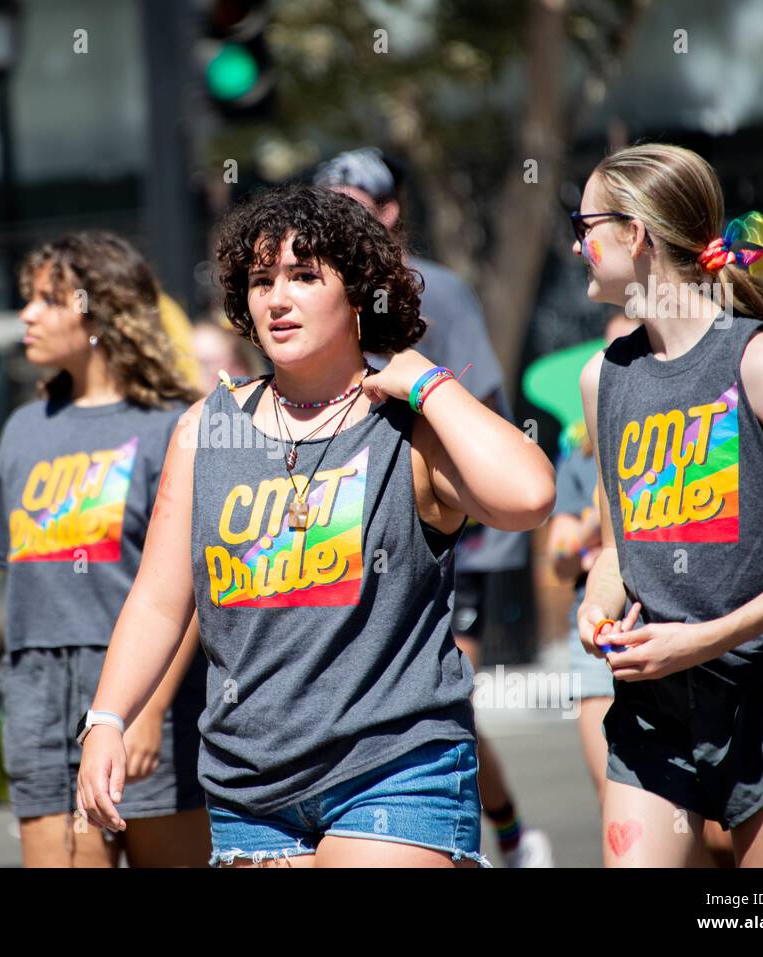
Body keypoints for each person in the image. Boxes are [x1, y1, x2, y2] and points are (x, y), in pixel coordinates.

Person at [79, 183, 554, 867]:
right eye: (261, 280)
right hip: (250, 786)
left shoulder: (407, 426)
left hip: (396, 769)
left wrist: (428, 382)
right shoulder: (205, 429)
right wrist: (106, 719)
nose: (277, 298)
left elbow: (530, 496)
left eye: (304, 276)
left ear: (358, 293)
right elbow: (158, 599)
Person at [572, 143, 763, 867]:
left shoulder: (759, 358)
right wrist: (597, 605)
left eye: (585, 227)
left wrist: (708, 637)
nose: (577, 246)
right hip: (653, 708)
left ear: (635, 234)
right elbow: (616, 547)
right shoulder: (601, 378)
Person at [315, 147, 552, 866]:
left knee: (443, 699)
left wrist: (490, 535)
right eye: (330, 200)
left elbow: (483, 411)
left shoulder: (437, 290)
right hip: (357, 536)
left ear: (390, 212)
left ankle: (489, 836)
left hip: (455, 535)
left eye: (358, 201)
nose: (342, 212)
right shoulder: (310, 293)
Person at [0, 232, 210, 867]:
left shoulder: (174, 424)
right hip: (38, 693)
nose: (27, 314)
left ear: (101, 313)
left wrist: (147, 709)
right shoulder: (22, 429)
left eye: (49, 300)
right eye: (29, 298)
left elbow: (195, 586)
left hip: (144, 686)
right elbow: (11, 579)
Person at [549, 312, 639, 802]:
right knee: (614, 799)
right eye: (608, 352)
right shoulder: (580, 457)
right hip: (596, 637)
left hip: (670, 632)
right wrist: (593, 523)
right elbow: (560, 558)